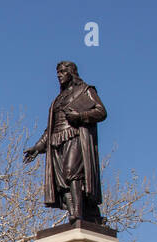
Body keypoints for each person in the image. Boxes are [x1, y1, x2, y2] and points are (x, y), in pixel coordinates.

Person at [23, 61, 107, 225]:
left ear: (71, 72)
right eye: (57, 72)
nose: (58, 75)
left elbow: (101, 111)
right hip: (56, 141)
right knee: (61, 182)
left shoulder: (85, 90)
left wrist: (80, 116)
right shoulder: (58, 99)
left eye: (62, 71)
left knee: (72, 172)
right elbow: (51, 128)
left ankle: (77, 213)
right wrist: (38, 147)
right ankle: (75, 213)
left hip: (74, 136)